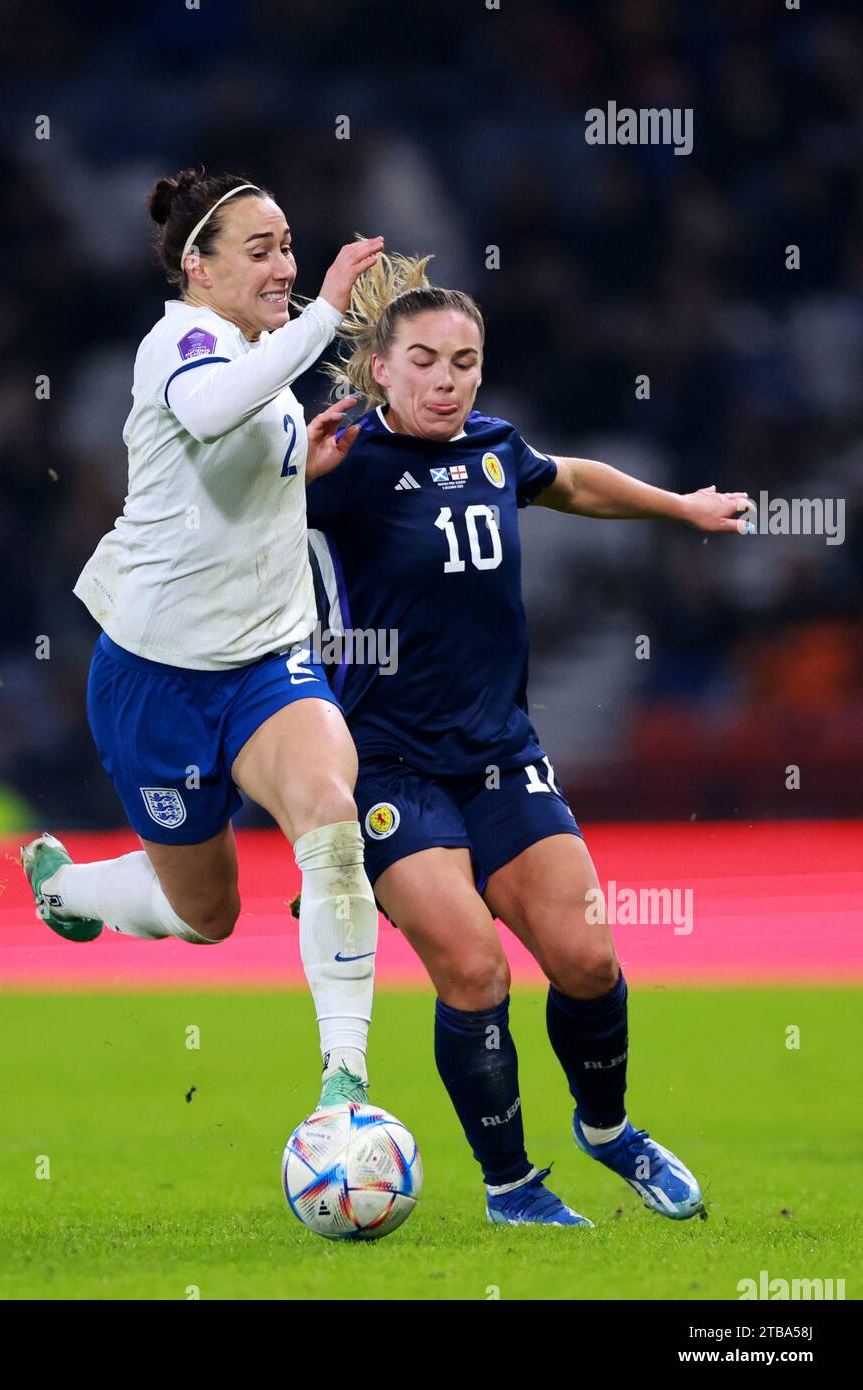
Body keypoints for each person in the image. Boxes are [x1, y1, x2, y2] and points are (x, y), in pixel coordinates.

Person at [304, 251, 751, 1225]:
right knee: (472, 968)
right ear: (379, 367)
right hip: (387, 763)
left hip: (500, 755)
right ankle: (510, 1187)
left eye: (463, 361)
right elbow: (239, 518)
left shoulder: (495, 448)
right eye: (423, 360)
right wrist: (290, 471)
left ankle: (607, 1129)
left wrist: (679, 508)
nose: (446, 379)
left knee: (586, 960)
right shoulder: (341, 466)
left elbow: (569, 483)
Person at [20, 170, 386, 1111]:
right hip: (157, 677)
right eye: (260, 251)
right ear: (199, 266)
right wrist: (328, 313)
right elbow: (211, 408)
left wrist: (303, 451)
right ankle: (69, 893)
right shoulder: (180, 340)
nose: (286, 267)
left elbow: (236, 459)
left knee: (329, 818)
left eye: (290, 248)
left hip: (267, 660)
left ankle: (344, 1084)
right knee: (207, 914)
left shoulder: (256, 359)